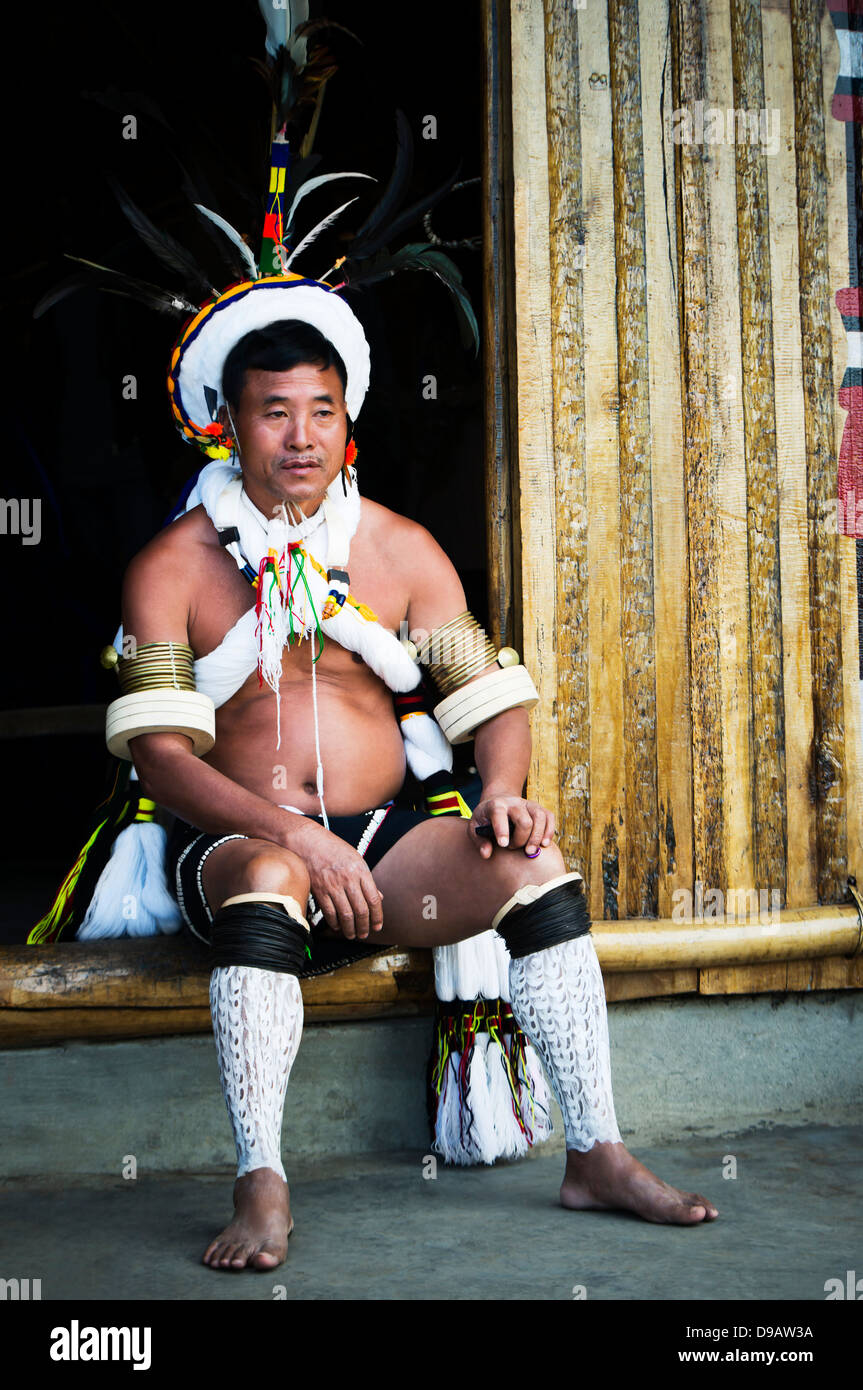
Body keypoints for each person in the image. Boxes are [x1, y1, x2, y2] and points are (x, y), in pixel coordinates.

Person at [113, 301, 718, 1273]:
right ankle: (260, 1179)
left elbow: (487, 696)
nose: (300, 435)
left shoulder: (398, 550)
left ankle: (595, 1150)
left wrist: (501, 790)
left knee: (531, 862)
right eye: (274, 412)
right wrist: (301, 842)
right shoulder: (172, 566)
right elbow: (161, 760)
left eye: (321, 410)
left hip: (382, 844)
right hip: (235, 849)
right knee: (272, 871)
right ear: (229, 420)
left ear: (349, 421)